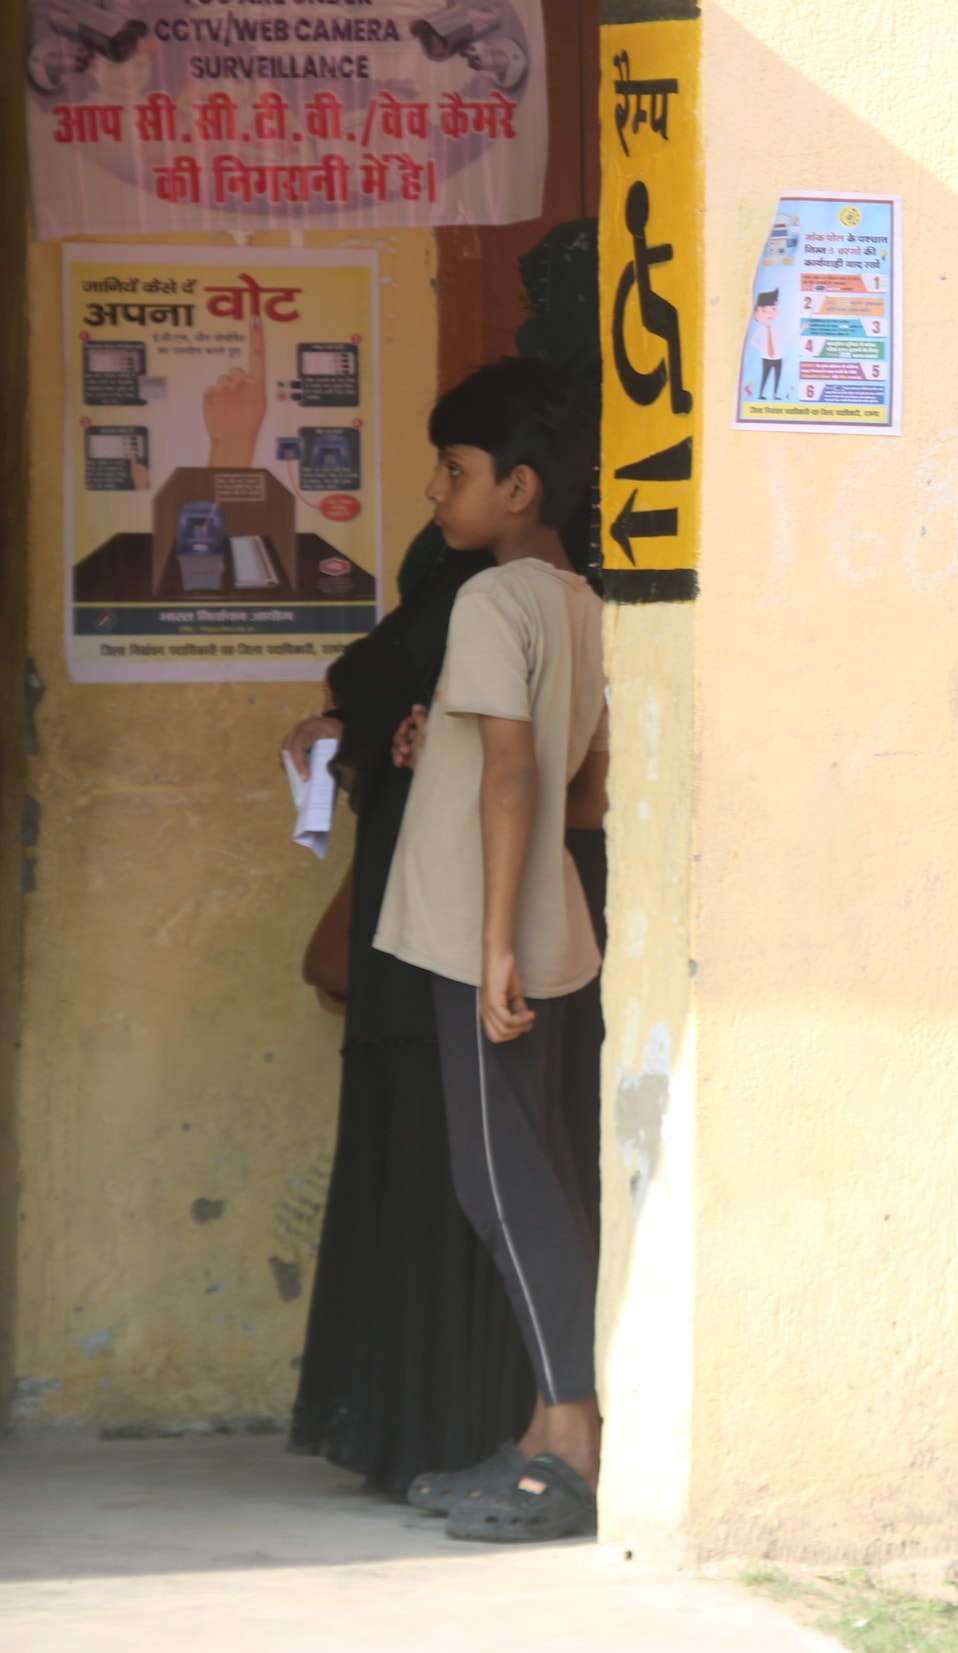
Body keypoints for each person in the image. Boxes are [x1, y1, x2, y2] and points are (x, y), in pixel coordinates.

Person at [373, 358, 609, 1543]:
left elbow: (515, 770)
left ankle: (571, 1436)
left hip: (487, 934)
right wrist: (442, 743)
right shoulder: (577, 603)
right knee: (541, 1173)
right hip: (542, 917)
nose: (435, 491)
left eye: (455, 473)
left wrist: (491, 942)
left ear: (518, 486)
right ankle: (537, 1429)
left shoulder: (485, 601)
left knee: (499, 1184)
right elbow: (579, 774)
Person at [282, 525, 534, 1500]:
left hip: (452, 920)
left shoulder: (506, 601)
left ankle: (437, 1425)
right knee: (428, 1161)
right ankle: (422, 1424)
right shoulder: (468, 594)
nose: (437, 491)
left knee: (443, 1166)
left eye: (457, 469)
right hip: (421, 915)